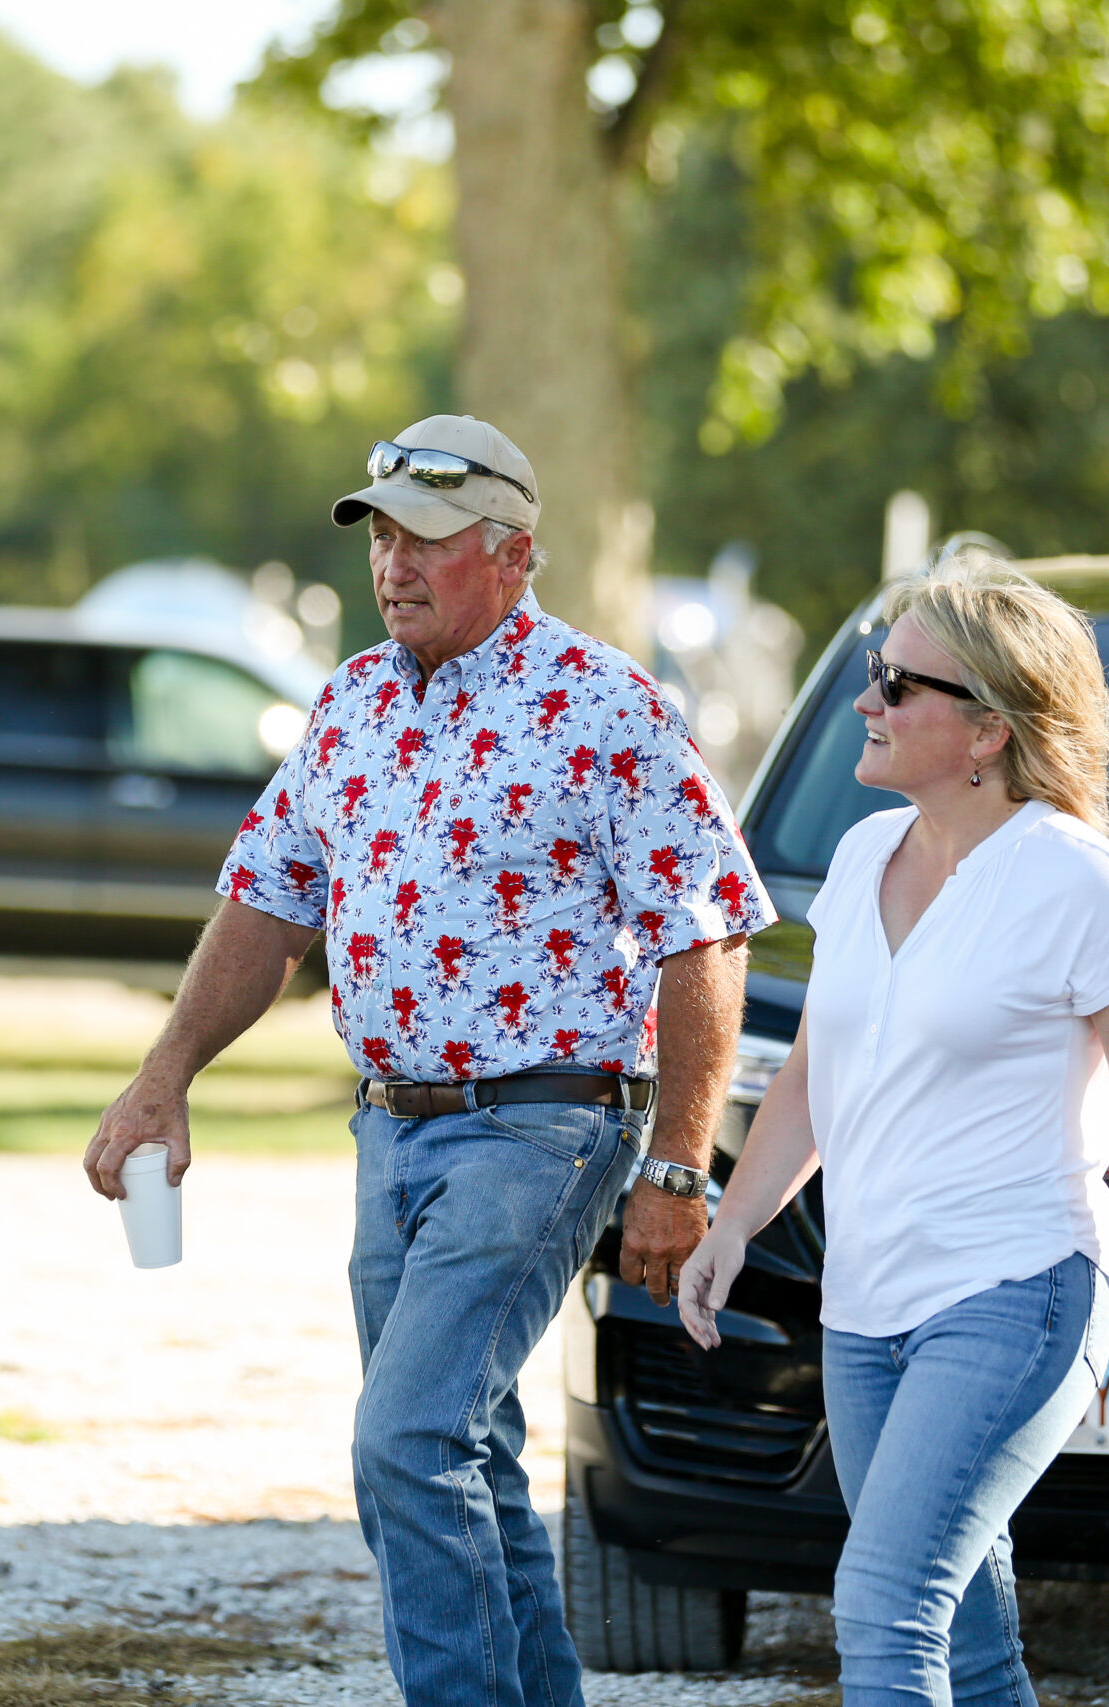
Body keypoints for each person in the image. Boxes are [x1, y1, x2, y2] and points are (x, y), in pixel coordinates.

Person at [85, 414, 774, 1707]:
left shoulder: (604, 701)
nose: (395, 563)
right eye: (384, 535)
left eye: (430, 540)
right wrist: (162, 1072)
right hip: (391, 1125)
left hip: (547, 1124)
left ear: (514, 553)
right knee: (466, 1445)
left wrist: (678, 1167)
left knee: (405, 1440)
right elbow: (268, 900)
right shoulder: (349, 698)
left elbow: (705, 930)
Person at [675, 550, 1109, 1707]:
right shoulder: (859, 856)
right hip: (865, 1303)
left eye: (897, 685)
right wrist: (731, 1224)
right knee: (971, 1645)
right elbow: (813, 1076)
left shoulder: (1080, 885)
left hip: (1019, 1288)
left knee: (886, 1610)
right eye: (872, 674)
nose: (866, 701)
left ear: (987, 730)